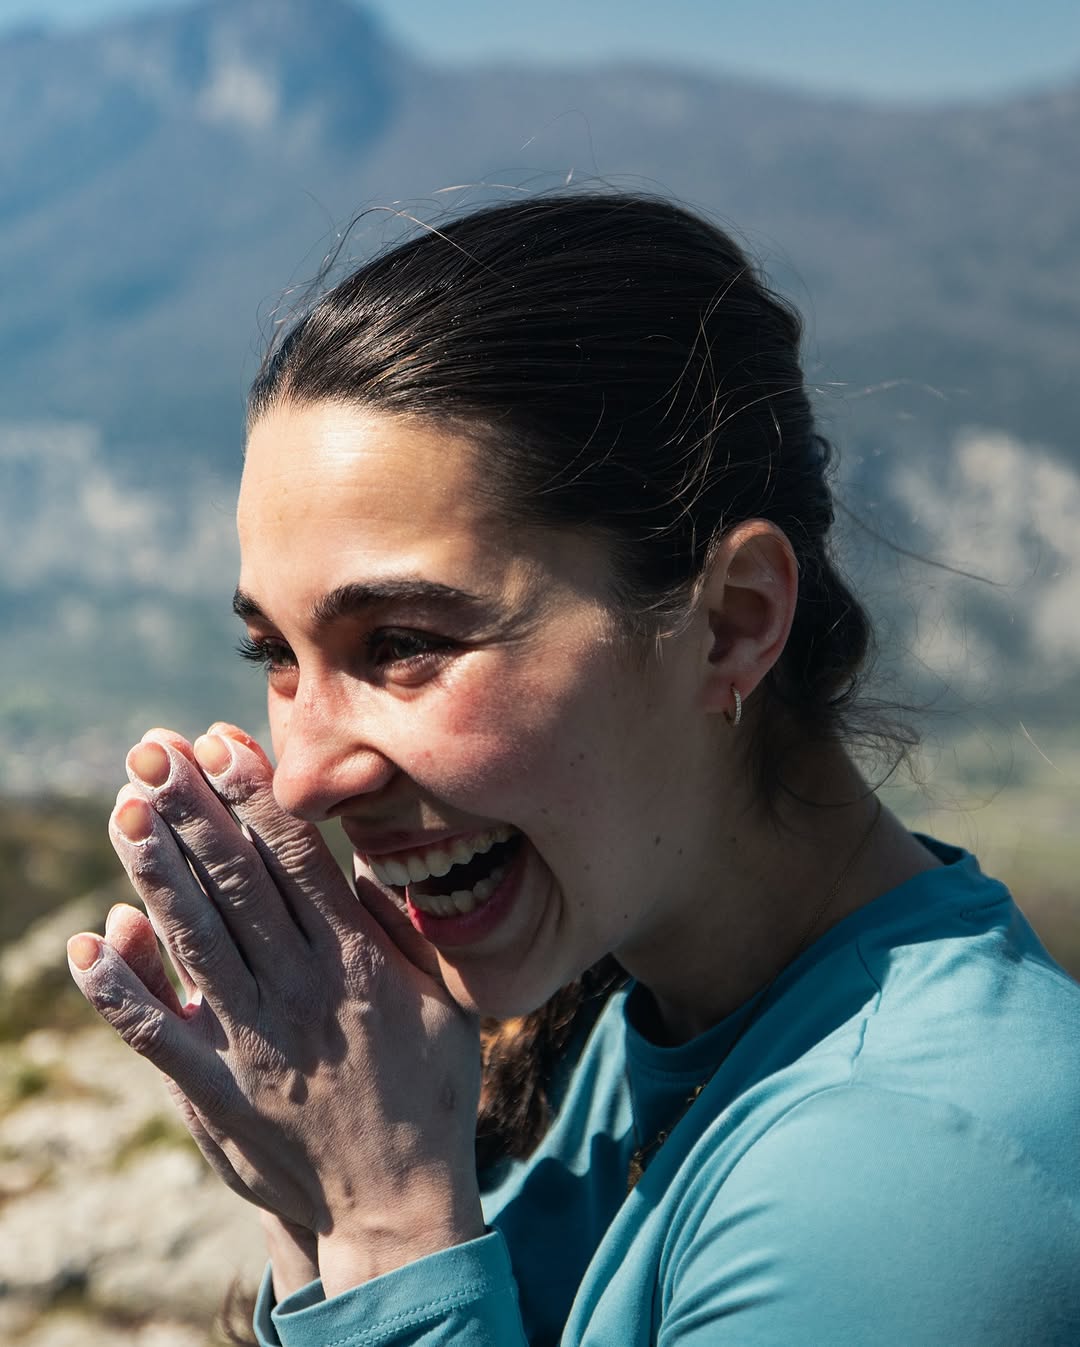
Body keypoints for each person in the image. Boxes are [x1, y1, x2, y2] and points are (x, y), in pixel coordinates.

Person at [68, 193, 1080, 1345]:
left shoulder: (898, 1186)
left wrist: (386, 1227)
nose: (301, 777)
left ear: (734, 623)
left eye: (403, 644)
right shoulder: (611, 1029)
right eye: (276, 655)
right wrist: (314, 1210)